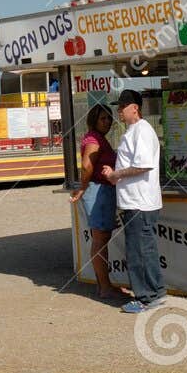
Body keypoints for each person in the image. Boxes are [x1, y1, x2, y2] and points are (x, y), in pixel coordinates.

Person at [101, 92, 165, 313]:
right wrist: (116, 174)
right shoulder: (134, 130)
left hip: (140, 202)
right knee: (143, 250)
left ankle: (146, 297)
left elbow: (143, 165)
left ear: (135, 108)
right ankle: (155, 293)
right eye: (118, 107)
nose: (119, 111)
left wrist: (116, 174)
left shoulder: (142, 130)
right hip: (135, 201)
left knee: (139, 252)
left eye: (123, 106)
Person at [68, 104, 120, 298]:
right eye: (102, 118)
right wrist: (83, 186)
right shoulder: (94, 139)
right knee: (100, 240)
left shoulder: (97, 138)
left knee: (101, 238)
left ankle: (103, 285)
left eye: (109, 118)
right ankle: (105, 287)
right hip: (99, 191)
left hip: (101, 191)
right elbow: (86, 165)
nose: (107, 122)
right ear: (94, 120)